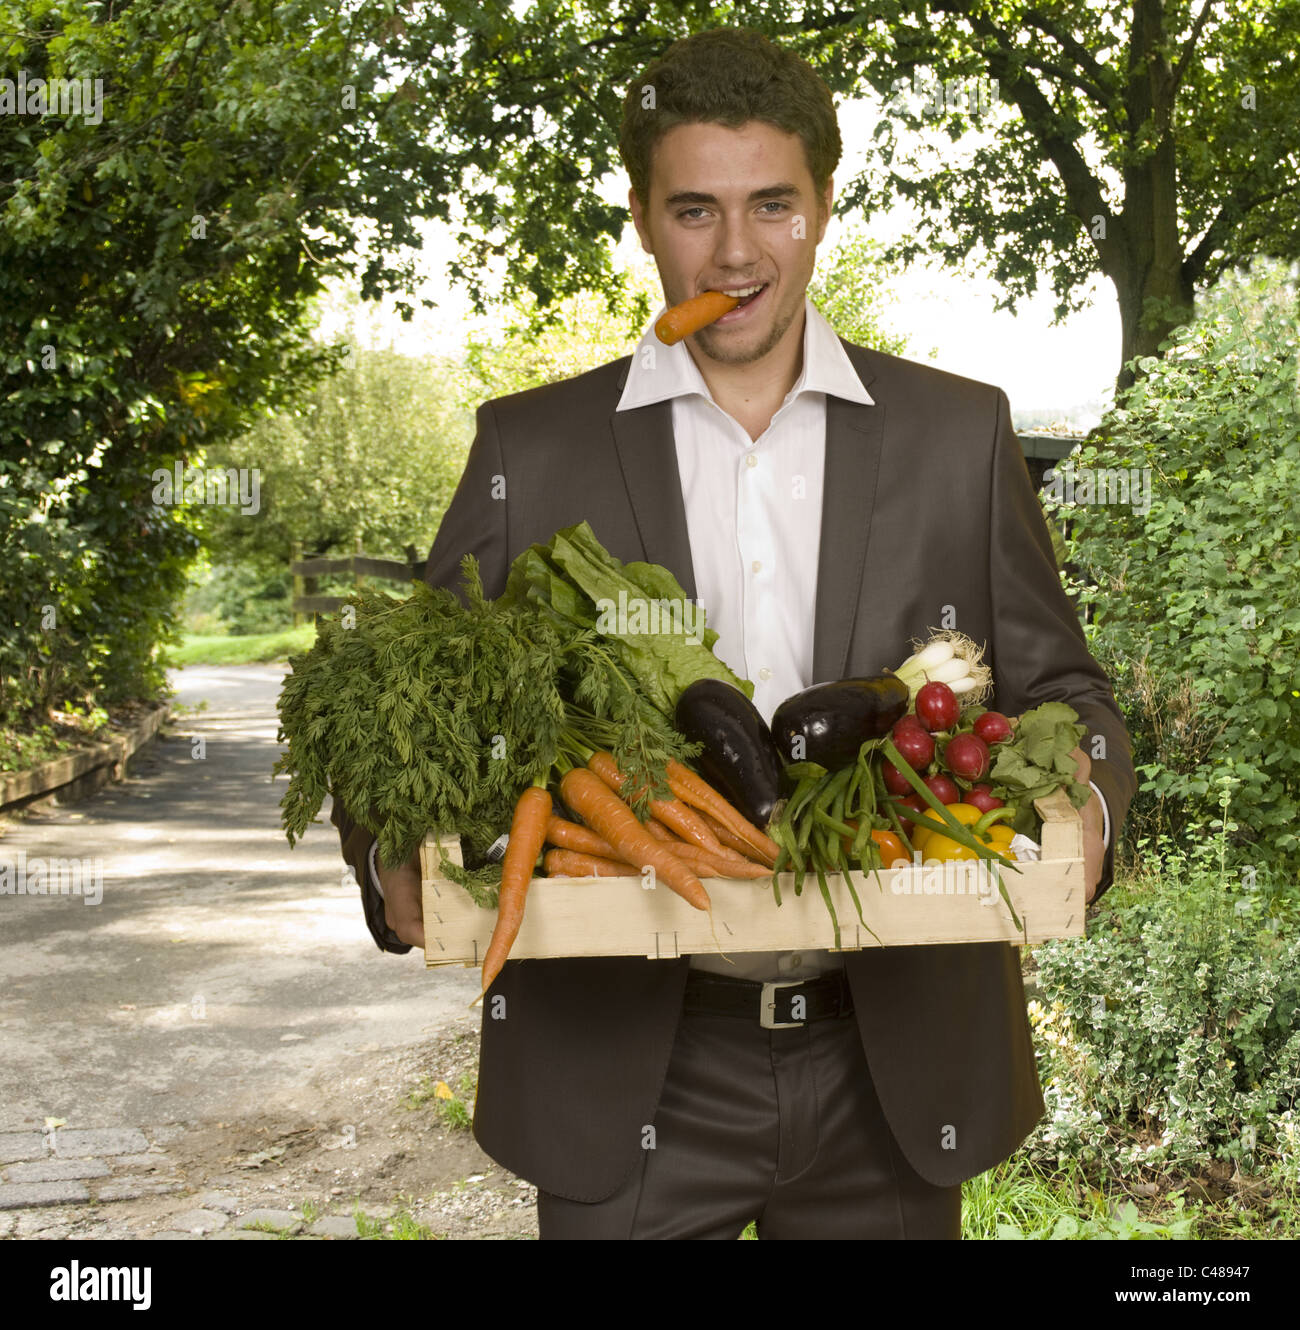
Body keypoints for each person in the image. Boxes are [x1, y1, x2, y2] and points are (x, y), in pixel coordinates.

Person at [331, 26, 1136, 1239]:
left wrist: (1090, 810)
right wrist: (392, 839)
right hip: (630, 1064)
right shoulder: (532, 448)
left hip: (893, 1058)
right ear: (647, 220)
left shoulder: (955, 437)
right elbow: (408, 699)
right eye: (695, 210)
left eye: (772, 204)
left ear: (821, 205)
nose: (737, 251)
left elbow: (1065, 685)